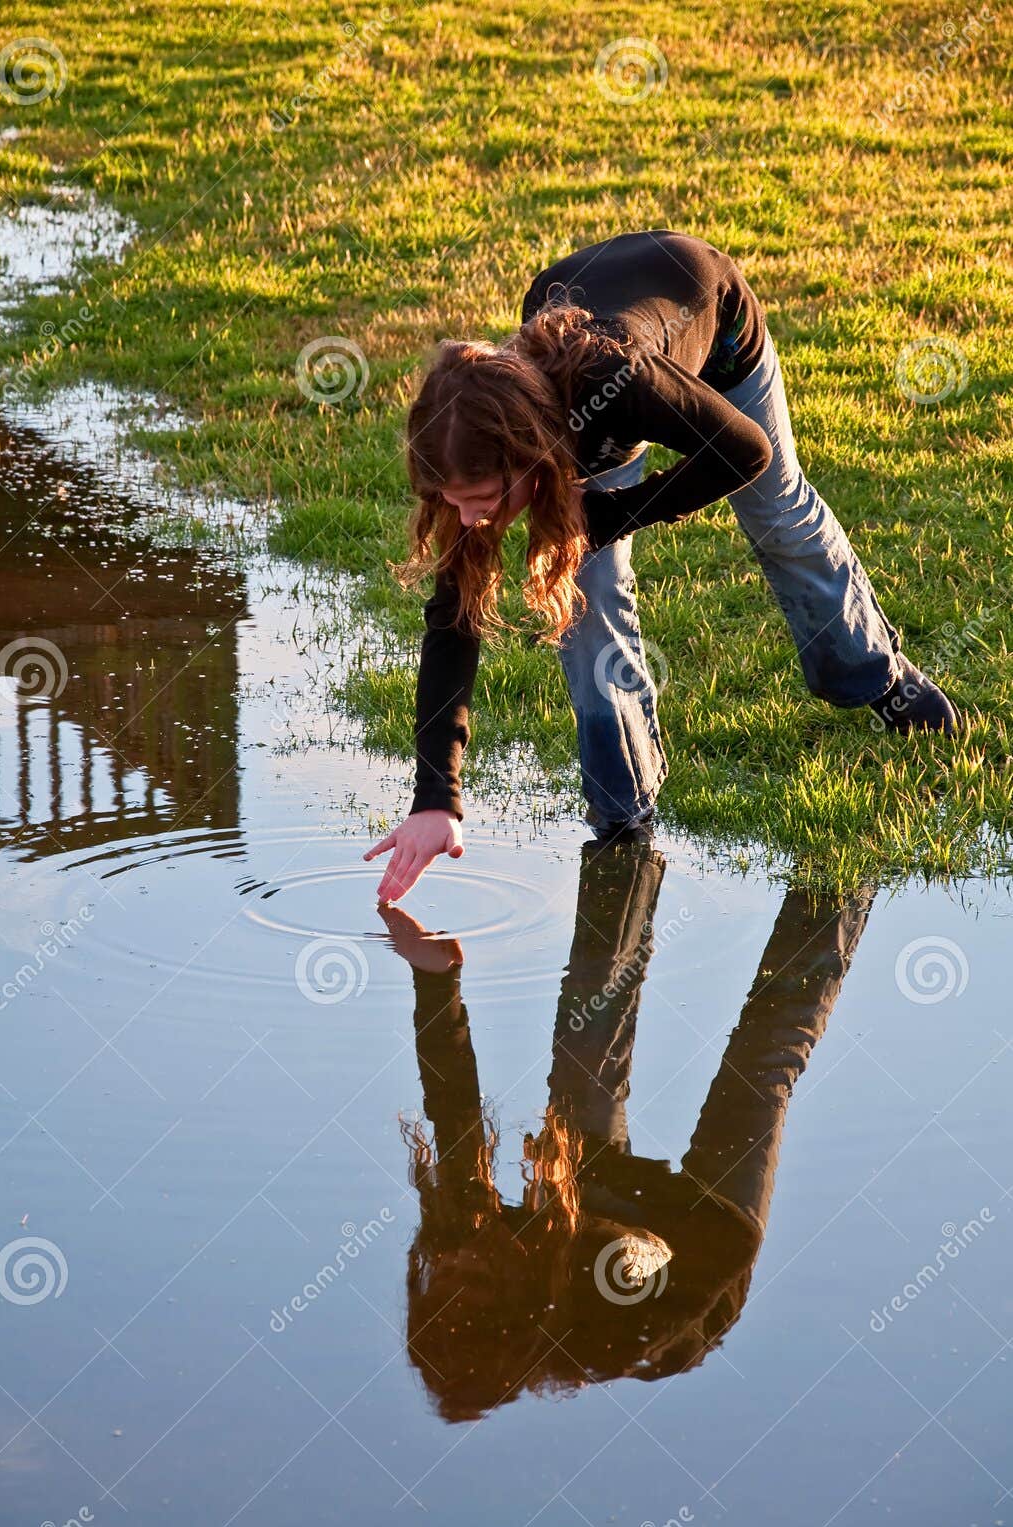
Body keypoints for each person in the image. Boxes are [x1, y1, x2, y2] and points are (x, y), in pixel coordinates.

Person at [363, 229, 960, 905]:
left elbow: (744, 452)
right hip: (581, 381)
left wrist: (612, 516)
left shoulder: (618, 385)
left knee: (778, 520)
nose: (470, 519)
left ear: (528, 459)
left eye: (481, 502)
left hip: (711, 317)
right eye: (452, 503)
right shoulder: (473, 442)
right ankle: (625, 814)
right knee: (584, 592)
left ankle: (878, 678)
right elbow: (453, 620)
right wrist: (435, 798)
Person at [380, 836, 874, 1421]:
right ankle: (848, 860)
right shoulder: (606, 1317)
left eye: (446, 1277)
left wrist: (435, 978)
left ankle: (624, 848)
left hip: (587, 1217)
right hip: (706, 1247)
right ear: (517, 1306)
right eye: (476, 1276)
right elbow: (663, 1249)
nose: (462, 1258)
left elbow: (453, 1113)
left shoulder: (463, 1248)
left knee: (583, 1050)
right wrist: (566, 1203)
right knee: (761, 1067)